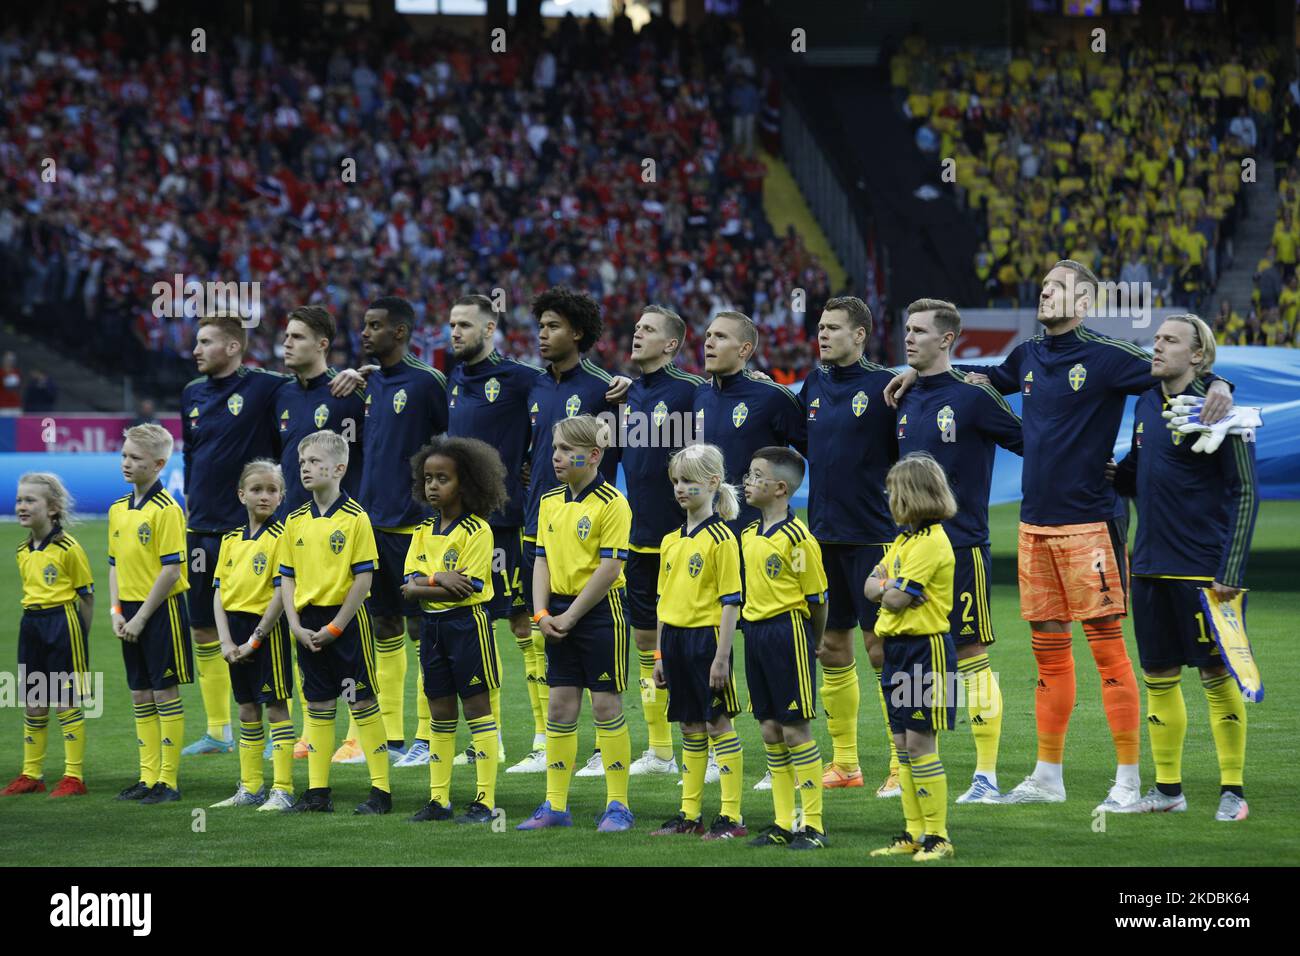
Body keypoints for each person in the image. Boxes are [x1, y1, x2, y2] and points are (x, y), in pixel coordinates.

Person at [885, 259, 1234, 810]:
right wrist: (909, 372)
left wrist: (1221, 383)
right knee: (1048, 656)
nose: (1046, 294)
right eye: (1045, 286)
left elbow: (1174, 370)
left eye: (1058, 288)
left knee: (1109, 652)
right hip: (1034, 525)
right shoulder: (1026, 355)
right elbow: (975, 379)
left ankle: (1126, 780)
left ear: (1085, 303)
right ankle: (1048, 776)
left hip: (1090, 523)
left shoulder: (1109, 356)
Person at [1109, 315, 1257, 821]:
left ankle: (1233, 792)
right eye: (1156, 338)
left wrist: (1231, 569)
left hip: (1202, 570)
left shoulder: (1225, 410)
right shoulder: (1147, 403)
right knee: (1158, 677)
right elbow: (1142, 466)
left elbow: (1245, 492)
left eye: (1169, 340)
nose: (1157, 346)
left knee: (1218, 676)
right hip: (1149, 566)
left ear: (1197, 355)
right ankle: (1168, 790)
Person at [895, 299, 1023, 803]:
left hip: (961, 547)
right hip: (908, 548)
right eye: (906, 328)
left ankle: (986, 777)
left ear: (946, 339)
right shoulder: (902, 394)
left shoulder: (975, 397)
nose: (909, 337)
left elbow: (1031, 441)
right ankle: (916, 766)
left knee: (969, 655)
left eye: (920, 330)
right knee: (912, 656)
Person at [519, 288, 629, 780]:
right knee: (531, 631)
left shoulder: (608, 389)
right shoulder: (534, 386)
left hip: (594, 529)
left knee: (615, 654)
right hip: (539, 524)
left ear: (578, 332)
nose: (543, 335)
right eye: (540, 326)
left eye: (553, 326)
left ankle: (639, 757)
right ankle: (547, 739)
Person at [799, 296, 900, 795]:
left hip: (875, 537)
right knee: (831, 646)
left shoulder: (885, 386)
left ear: (860, 334)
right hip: (823, 537)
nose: (823, 334)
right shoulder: (813, 384)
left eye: (834, 328)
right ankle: (846, 765)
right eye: (820, 326)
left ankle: (904, 763)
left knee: (880, 648)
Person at [440, 294, 544, 772]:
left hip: (508, 523)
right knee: (470, 629)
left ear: (489, 330)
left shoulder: (522, 380)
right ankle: (490, 741)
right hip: (465, 526)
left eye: (464, 325)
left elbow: (561, 414)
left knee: (525, 625)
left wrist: (529, 463)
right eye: (451, 324)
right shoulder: (453, 380)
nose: (454, 332)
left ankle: (545, 739)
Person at [517, 415, 635, 832]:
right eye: (555, 449)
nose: (558, 457)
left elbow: (611, 566)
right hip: (556, 614)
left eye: (568, 450)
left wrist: (569, 615)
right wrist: (542, 613)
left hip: (601, 613)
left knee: (605, 705)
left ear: (595, 455)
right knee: (560, 706)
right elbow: (541, 559)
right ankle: (555, 805)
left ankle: (618, 805)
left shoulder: (612, 503)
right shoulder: (549, 500)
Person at [181, 314, 286, 755]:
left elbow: (311, 385)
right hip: (201, 527)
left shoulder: (264, 386)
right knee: (204, 627)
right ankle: (218, 730)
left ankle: (274, 725)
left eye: (205, 342)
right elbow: (191, 454)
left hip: (245, 533)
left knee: (262, 627)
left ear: (232, 347)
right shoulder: (191, 393)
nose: (196, 350)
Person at [352, 296, 448, 764]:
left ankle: (427, 737)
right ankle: (390, 738)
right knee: (383, 625)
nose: (365, 333)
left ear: (400, 332)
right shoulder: (370, 384)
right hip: (373, 527)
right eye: (364, 325)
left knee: (423, 628)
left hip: (415, 529)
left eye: (374, 326)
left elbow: (453, 447)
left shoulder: (428, 383)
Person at [278, 430, 391, 815]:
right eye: (302, 462)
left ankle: (380, 791)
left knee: (360, 701)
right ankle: (317, 792)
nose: (305, 468)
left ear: (339, 467)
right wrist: (294, 623)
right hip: (306, 623)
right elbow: (286, 578)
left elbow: (363, 580)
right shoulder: (293, 521)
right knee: (318, 704)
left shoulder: (356, 518)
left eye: (313, 461)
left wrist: (337, 626)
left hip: (345, 622)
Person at [401, 436, 508, 825]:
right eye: (428, 478)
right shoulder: (422, 530)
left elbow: (471, 586)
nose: (433, 485)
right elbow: (408, 586)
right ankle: (439, 799)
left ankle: (484, 801)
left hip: (468, 625)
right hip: (432, 626)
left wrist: (424, 583)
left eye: (442, 478)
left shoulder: (477, 531)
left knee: (477, 709)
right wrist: (437, 577)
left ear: (465, 483)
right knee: (439, 711)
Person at [622, 305, 704, 778]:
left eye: (648, 330)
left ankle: (713, 745)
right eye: (636, 328)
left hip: (685, 542)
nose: (637, 334)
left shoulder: (691, 392)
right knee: (645, 643)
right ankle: (659, 750)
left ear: (671, 345)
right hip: (641, 540)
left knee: (696, 645)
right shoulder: (628, 394)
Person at [649, 444, 746, 839]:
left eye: (688, 481)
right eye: (675, 480)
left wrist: (721, 658)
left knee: (718, 723)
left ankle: (731, 817)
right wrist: (658, 652)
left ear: (712, 482)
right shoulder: (670, 540)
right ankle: (690, 815)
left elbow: (731, 602)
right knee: (689, 724)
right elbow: (661, 600)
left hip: (706, 641)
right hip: (673, 640)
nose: (680, 488)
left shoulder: (722, 538)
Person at [866, 453, 959, 861]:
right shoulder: (905, 541)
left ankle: (938, 836)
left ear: (912, 496)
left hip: (928, 651)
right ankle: (913, 832)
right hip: (899, 650)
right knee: (902, 743)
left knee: (921, 743)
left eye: (893, 492)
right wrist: (886, 586)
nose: (888, 499)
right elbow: (870, 585)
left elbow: (895, 597)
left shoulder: (933, 543)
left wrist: (886, 586)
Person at [739, 447, 830, 850]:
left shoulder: (798, 539)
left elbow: (817, 598)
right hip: (754, 633)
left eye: (756, 475)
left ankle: (812, 823)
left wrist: (815, 638)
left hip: (788, 631)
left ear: (779, 488)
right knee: (769, 728)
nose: (747, 480)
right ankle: (782, 820)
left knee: (795, 729)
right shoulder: (747, 534)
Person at [108, 424, 192, 804]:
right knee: (140, 693)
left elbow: (172, 570)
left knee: (163, 691)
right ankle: (147, 777)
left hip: (160, 612)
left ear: (158, 464)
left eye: (135, 458)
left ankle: (168, 782)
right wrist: (116, 611)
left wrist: (141, 616)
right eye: (124, 455)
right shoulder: (117, 509)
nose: (126, 462)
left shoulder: (168, 510)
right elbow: (113, 565)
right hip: (128, 611)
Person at [209, 460, 296, 812]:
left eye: (272, 490)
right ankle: (250, 787)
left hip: (268, 632)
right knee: (246, 708)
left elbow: (280, 593)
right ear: (241, 494)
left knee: (275, 706)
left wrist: (256, 638)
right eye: (257, 489)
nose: (264, 496)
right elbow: (218, 591)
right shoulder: (230, 539)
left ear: (281, 496)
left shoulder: (283, 538)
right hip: (234, 630)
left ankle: (283, 788)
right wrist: (226, 641)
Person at [3, 473, 93, 798]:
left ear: (53, 509)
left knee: (65, 700)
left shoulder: (69, 548)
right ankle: (32, 773)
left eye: (30, 500)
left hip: (63, 623)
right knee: (33, 699)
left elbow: (86, 596)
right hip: (32, 625)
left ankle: (74, 776)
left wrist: (79, 638)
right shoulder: (22, 550)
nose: (22, 506)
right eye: (19, 500)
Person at [275, 306, 367, 514]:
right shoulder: (281, 395)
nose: (287, 344)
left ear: (322, 344)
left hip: (336, 525)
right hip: (288, 523)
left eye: (297, 337)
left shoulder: (349, 392)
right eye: (287, 336)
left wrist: (368, 373)